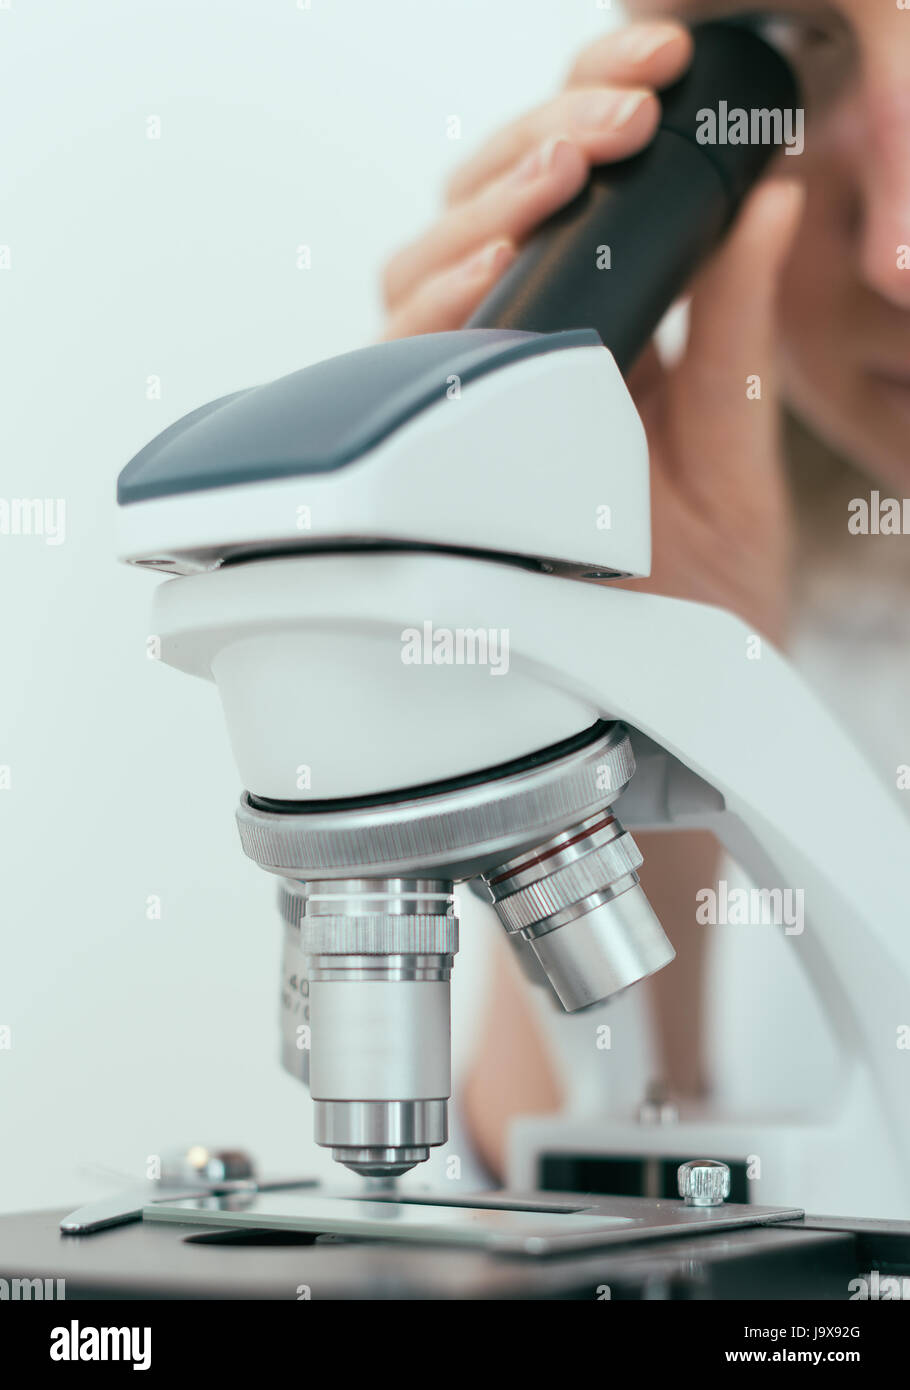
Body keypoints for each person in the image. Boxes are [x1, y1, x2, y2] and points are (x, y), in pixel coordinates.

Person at [380, 4, 910, 1180]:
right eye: (794, 32)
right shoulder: (787, 629)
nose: (894, 246)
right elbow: (612, 1236)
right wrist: (634, 684)